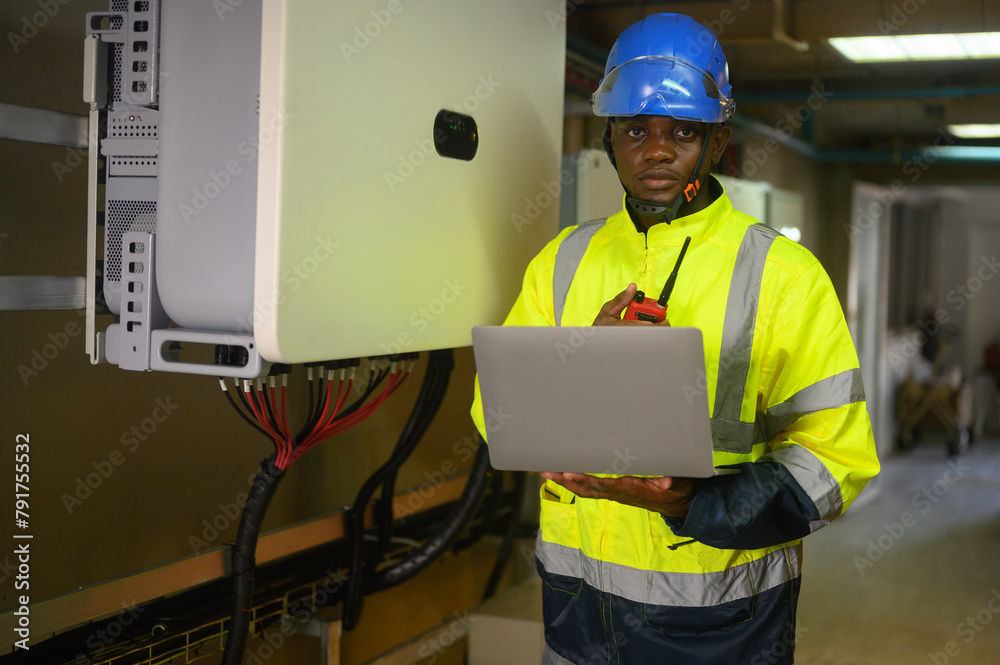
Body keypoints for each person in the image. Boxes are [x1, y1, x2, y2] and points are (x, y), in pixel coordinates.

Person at [471, 13, 879, 664]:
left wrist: (696, 500)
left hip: (720, 626)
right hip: (575, 618)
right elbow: (497, 417)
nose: (655, 151)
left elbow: (837, 465)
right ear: (609, 134)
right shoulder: (563, 261)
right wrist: (581, 358)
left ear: (717, 142)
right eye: (635, 130)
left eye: (682, 131)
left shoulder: (782, 275)